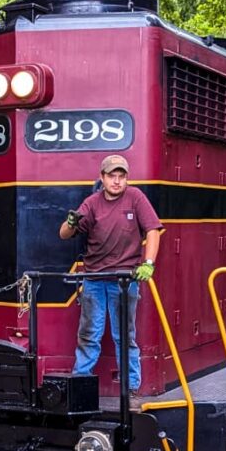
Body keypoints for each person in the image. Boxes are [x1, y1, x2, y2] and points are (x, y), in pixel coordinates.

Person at [59, 155, 162, 397]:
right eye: (112, 176)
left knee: (125, 336)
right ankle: (80, 384)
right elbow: (64, 234)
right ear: (102, 178)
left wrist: (148, 263)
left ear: (126, 178)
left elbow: (153, 230)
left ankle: (131, 387)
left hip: (124, 281)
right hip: (94, 279)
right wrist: (71, 222)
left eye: (121, 176)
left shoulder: (136, 197)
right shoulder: (92, 203)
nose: (117, 181)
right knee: (89, 335)